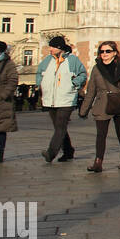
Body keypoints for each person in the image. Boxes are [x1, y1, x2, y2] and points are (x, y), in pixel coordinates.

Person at [78, 41, 120, 173]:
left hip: (119, 101)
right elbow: (91, 90)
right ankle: (98, 162)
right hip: (102, 104)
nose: (104, 54)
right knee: (101, 134)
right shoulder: (96, 68)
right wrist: (83, 110)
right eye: (102, 51)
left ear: (114, 53)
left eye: (107, 51)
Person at [37, 35, 87, 163]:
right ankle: (68, 151)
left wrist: (74, 83)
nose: (51, 49)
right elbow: (39, 73)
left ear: (60, 48)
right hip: (50, 99)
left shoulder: (72, 60)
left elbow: (82, 74)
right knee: (59, 128)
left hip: (67, 98)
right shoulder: (48, 60)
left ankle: (51, 153)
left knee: (60, 126)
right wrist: (40, 84)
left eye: (53, 47)